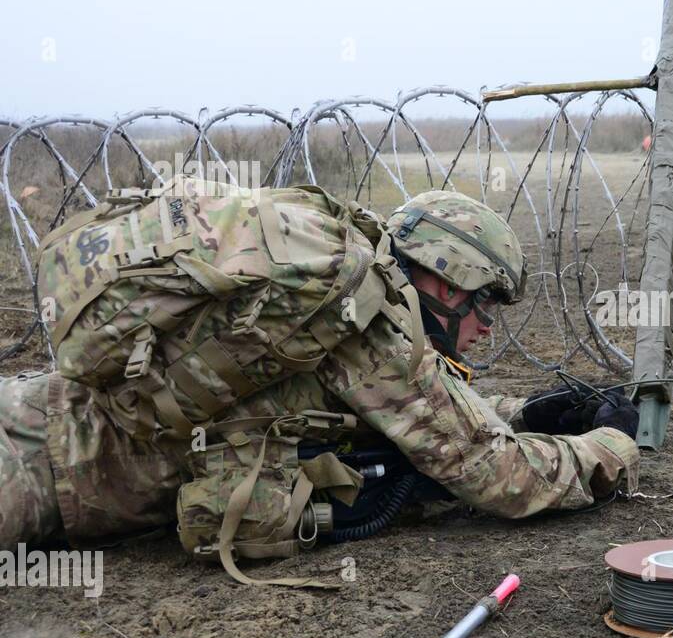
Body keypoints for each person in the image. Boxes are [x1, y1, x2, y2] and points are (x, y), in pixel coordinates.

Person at [0, 183, 640, 586]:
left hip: (40, 410)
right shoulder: (373, 332)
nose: (484, 329)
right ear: (447, 282)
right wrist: (611, 446)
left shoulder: (341, 296)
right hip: (41, 475)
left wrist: (525, 411)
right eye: (484, 306)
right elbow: (499, 476)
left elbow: (410, 410)